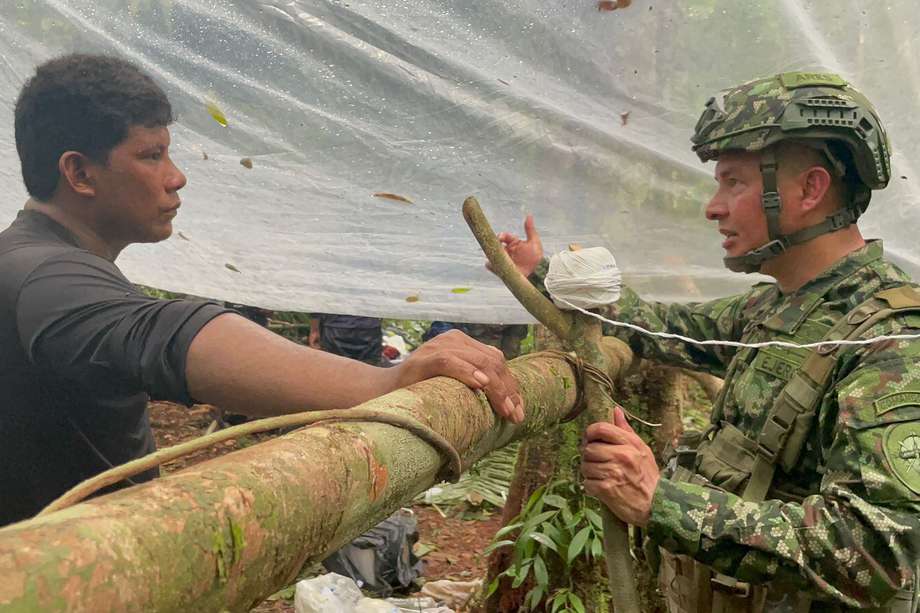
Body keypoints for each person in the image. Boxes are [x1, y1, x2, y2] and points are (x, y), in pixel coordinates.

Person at [0, 54, 524, 528]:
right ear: (79, 173)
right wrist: (384, 384)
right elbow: (162, 332)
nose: (176, 176)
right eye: (151, 155)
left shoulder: (28, 262)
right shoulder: (42, 275)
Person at [499, 73, 920, 611]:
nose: (713, 207)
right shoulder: (777, 310)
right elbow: (655, 325)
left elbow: (882, 553)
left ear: (810, 189)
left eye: (735, 182)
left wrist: (662, 501)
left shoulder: (891, 341)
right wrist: (544, 273)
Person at [309, 313, 384, 365]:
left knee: (335, 370)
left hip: (335, 327)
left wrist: (314, 330)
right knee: (370, 371)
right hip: (369, 327)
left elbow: (320, 297)